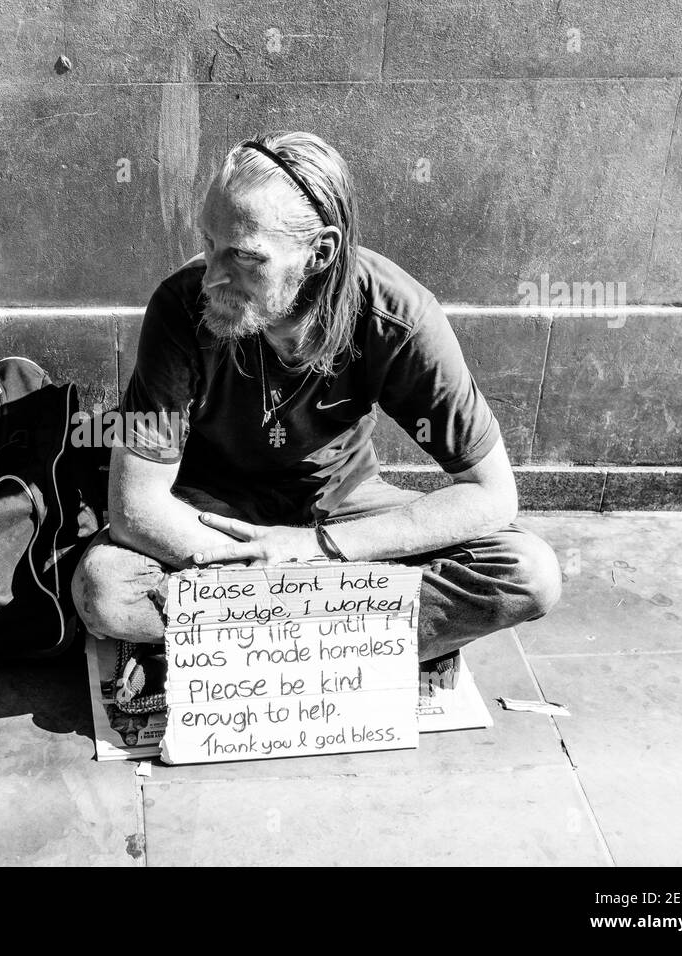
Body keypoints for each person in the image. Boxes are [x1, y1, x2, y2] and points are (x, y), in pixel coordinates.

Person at [71, 131, 562, 677]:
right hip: (213, 517)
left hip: (340, 507)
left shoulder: (397, 316)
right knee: (105, 590)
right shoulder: (180, 307)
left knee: (528, 572)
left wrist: (319, 549)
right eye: (209, 243)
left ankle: (249, 643)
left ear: (320, 253)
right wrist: (263, 565)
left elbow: (493, 495)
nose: (213, 275)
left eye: (244, 257)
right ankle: (343, 639)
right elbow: (136, 507)